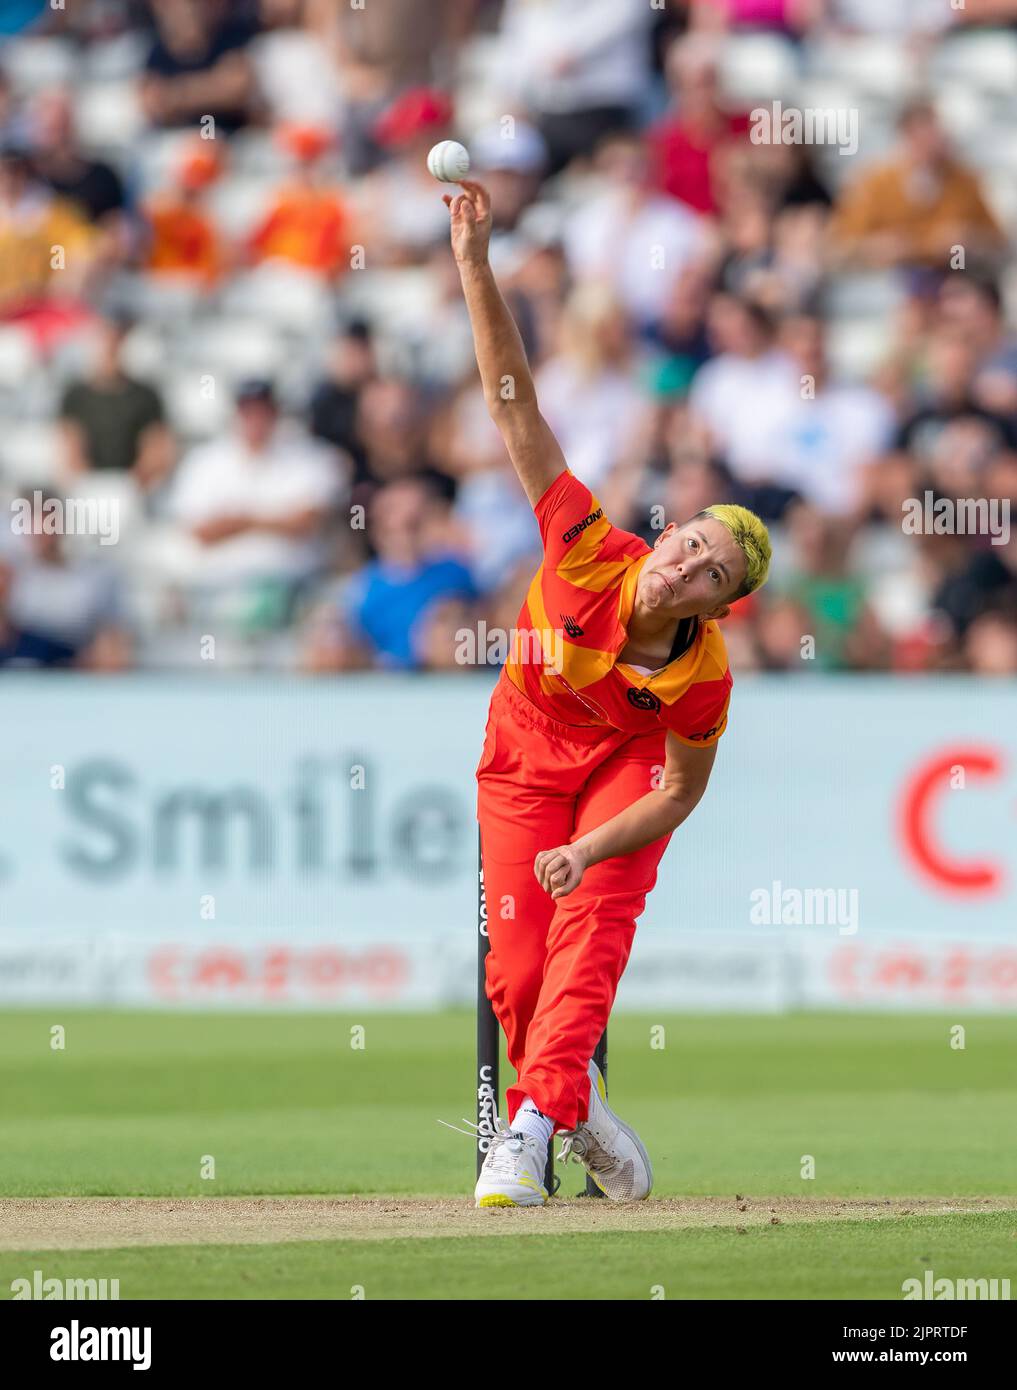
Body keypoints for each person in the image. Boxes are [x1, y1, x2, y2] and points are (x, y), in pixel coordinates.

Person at [445, 180, 771, 1207]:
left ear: (722, 604)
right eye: (690, 544)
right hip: (522, 749)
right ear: (666, 532)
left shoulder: (699, 678)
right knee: (519, 970)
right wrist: (475, 264)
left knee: (592, 927)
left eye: (712, 571)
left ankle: (530, 1133)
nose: (686, 568)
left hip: (622, 774)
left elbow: (678, 794)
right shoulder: (585, 540)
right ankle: (576, 1096)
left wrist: (589, 850)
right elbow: (513, 402)